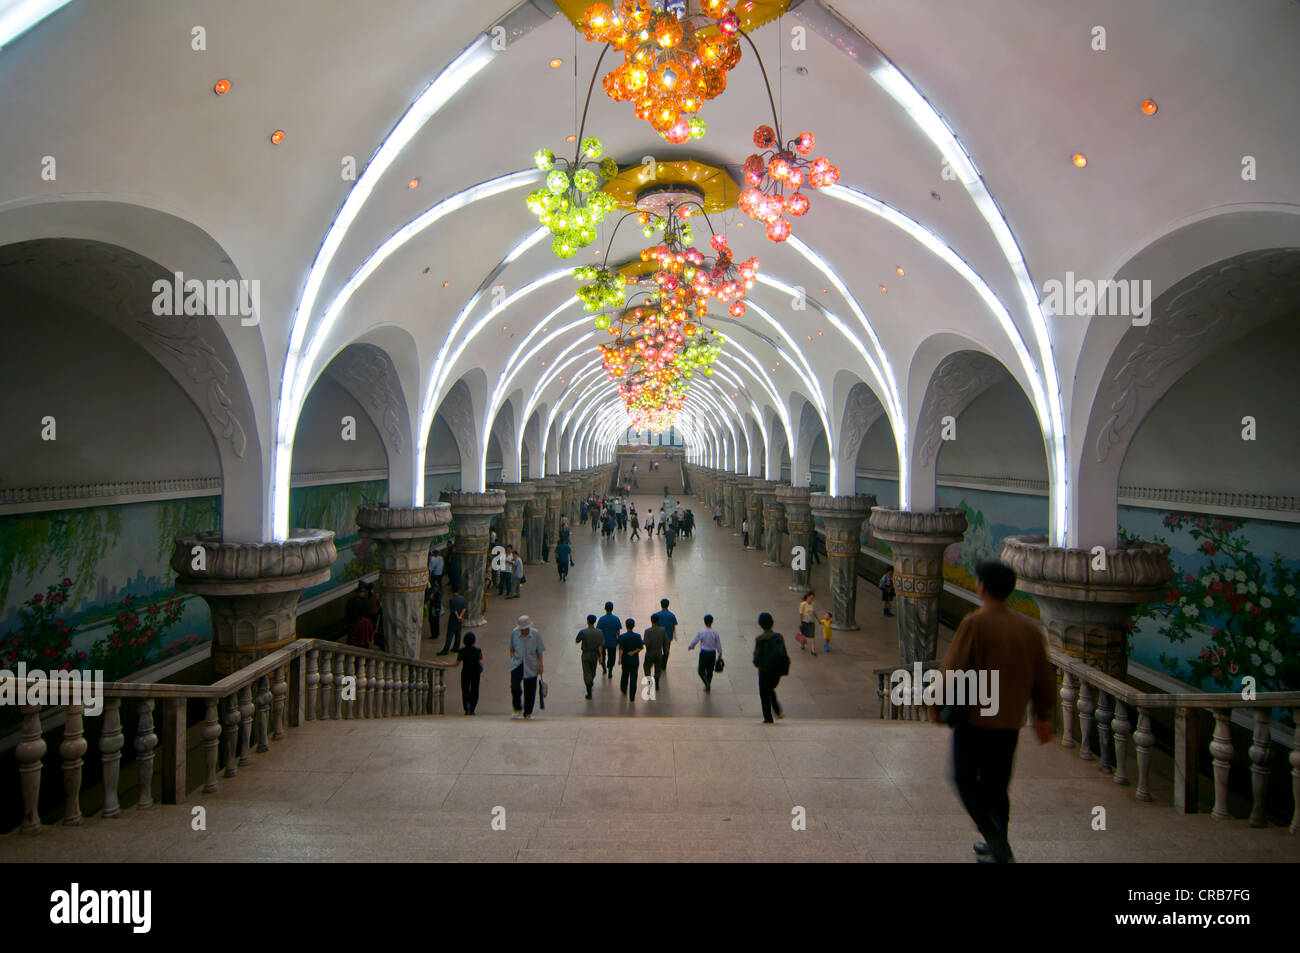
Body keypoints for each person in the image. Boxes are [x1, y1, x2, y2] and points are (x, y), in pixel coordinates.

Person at [938, 561, 1055, 864]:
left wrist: (937, 704)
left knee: (964, 779)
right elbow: (1044, 676)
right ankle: (997, 842)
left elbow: (952, 669)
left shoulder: (975, 623)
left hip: (975, 719)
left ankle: (995, 840)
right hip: (1009, 721)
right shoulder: (1028, 629)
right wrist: (1042, 714)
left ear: (983, 586)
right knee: (997, 785)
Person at [752, 611, 789, 724]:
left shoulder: (760, 639)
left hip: (764, 671)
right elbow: (784, 653)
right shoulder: (779, 637)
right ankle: (777, 710)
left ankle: (768, 718)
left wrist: (757, 664)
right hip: (777, 671)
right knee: (770, 688)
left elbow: (756, 658)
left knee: (764, 694)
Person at [508, 615, 545, 719]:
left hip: (531, 664)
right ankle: (517, 708)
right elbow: (511, 648)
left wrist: (541, 665)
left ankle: (528, 712)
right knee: (515, 687)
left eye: (526, 629)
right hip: (517, 664)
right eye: (522, 630)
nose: (524, 631)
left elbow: (540, 650)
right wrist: (512, 661)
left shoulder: (535, 634)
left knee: (530, 690)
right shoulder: (514, 633)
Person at [688, 614, 722, 691]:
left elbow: (695, 640)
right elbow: (718, 644)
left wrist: (691, 646)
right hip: (712, 654)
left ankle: (706, 683)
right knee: (710, 670)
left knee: (701, 670)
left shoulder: (702, 632)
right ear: (712, 622)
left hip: (704, 653)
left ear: (704, 622)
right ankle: (708, 684)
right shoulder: (715, 633)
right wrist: (720, 653)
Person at [575, 614, 604, 699]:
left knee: (586, 671)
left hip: (585, 654)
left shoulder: (583, 632)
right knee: (593, 670)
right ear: (595, 621)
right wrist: (601, 656)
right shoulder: (599, 632)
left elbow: (577, 641)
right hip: (594, 654)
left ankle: (589, 689)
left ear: (587, 621)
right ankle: (590, 681)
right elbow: (600, 646)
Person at [455, 632, 483, 715]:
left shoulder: (462, 651)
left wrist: (446, 664)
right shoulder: (478, 650)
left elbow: (457, 664)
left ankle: (467, 707)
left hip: (465, 671)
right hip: (475, 672)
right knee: (475, 690)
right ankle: (472, 708)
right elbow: (481, 662)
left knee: (465, 690)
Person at [617, 618, 644, 702]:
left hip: (625, 659)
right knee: (633, 677)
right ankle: (632, 696)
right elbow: (640, 648)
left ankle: (623, 689)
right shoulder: (637, 636)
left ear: (626, 626)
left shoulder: (622, 637)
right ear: (634, 626)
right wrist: (633, 652)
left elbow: (621, 649)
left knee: (624, 674)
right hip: (634, 660)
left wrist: (620, 658)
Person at [438, 581, 467, 656]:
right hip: (459, 619)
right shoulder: (462, 599)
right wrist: (461, 616)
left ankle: (446, 649)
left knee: (450, 634)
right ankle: (456, 647)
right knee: (458, 633)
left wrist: (457, 616)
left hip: (453, 618)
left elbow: (454, 610)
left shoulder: (452, 600)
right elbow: (464, 608)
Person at [642, 612, 669, 690]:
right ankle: (657, 682)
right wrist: (666, 652)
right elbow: (666, 642)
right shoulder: (662, 630)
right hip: (658, 652)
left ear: (651, 621)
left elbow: (646, 642)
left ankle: (650, 681)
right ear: (658, 621)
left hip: (650, 652)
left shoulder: (647, 631)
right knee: (658, 667)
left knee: (646, 666)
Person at [597, 602, 622, 678]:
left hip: (603, 642)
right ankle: (610, 671)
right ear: (612, 609)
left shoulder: (601, 619)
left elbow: (599, 631)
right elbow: (618, 632)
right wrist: (619, 639)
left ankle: (604, 668)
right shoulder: (616, 619)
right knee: (611, 657)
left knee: (602, 656)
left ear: (605, 609)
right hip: (612, 642)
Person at [657, 598, 678, 666]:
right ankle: (664, 664)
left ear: (661, 605)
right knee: (666, 651)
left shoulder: (657, 615)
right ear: (668, 605)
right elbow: (674, 626)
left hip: (659, 637)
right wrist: (674, 635)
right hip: (668, 637)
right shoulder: (672, 615)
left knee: (658, 650)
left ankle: (659, 662)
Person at [798, 591, 819, 656]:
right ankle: (802, 645)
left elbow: (814, 612)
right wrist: (800, 622)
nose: (811, 599)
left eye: (812, 598)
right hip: (804, 621)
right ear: (808, 597)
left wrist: (818, 619)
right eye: (811, 598)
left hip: (811, 622)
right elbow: (801, 613)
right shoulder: (803, 604)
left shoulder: (812, 604)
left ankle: (813, 650)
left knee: (812, 636)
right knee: (803, 634)